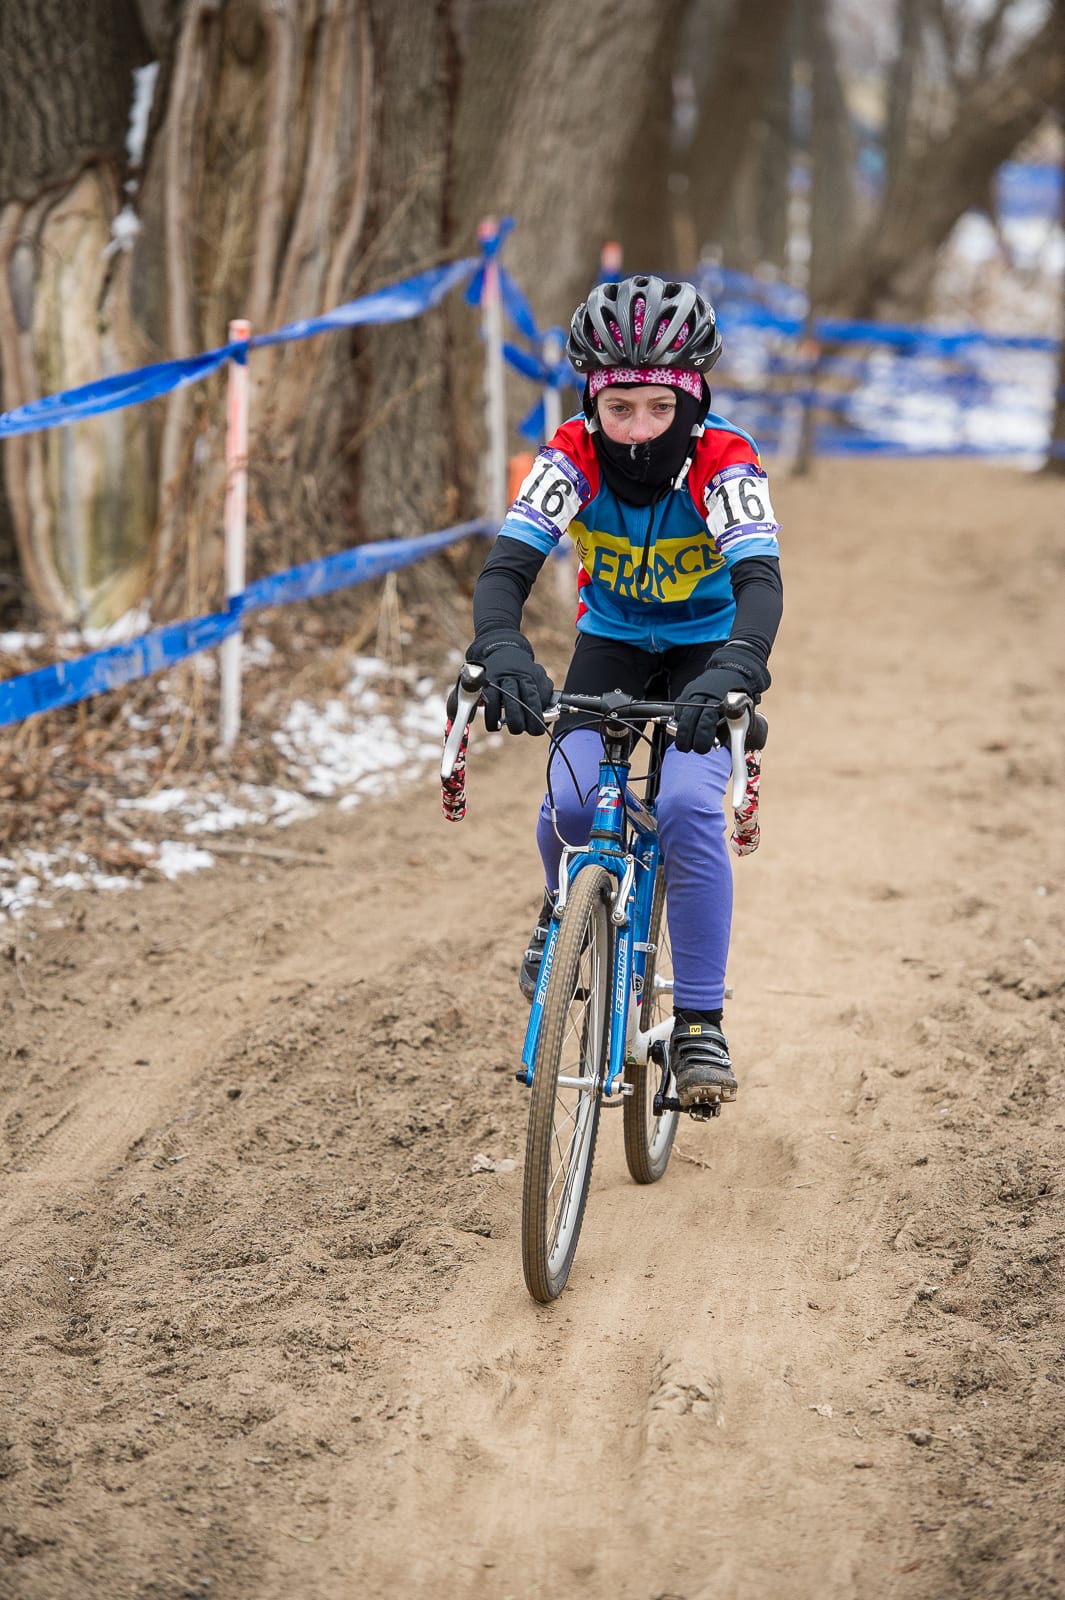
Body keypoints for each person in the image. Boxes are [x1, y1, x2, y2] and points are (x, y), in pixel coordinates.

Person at [463, 273, 782, 1109]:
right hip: (610, 642)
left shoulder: (725, 459)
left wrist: (740, 663)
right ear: (591, 402)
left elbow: (759, 581)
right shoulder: (568, 454)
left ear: (691, 400)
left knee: (685, 806)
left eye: (658, 407)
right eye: (618, 408)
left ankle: (700, 1021)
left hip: (706, 650)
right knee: (572, 800)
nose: (638, 430)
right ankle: (560, 909)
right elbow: (506, 571)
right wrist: (501, 645)